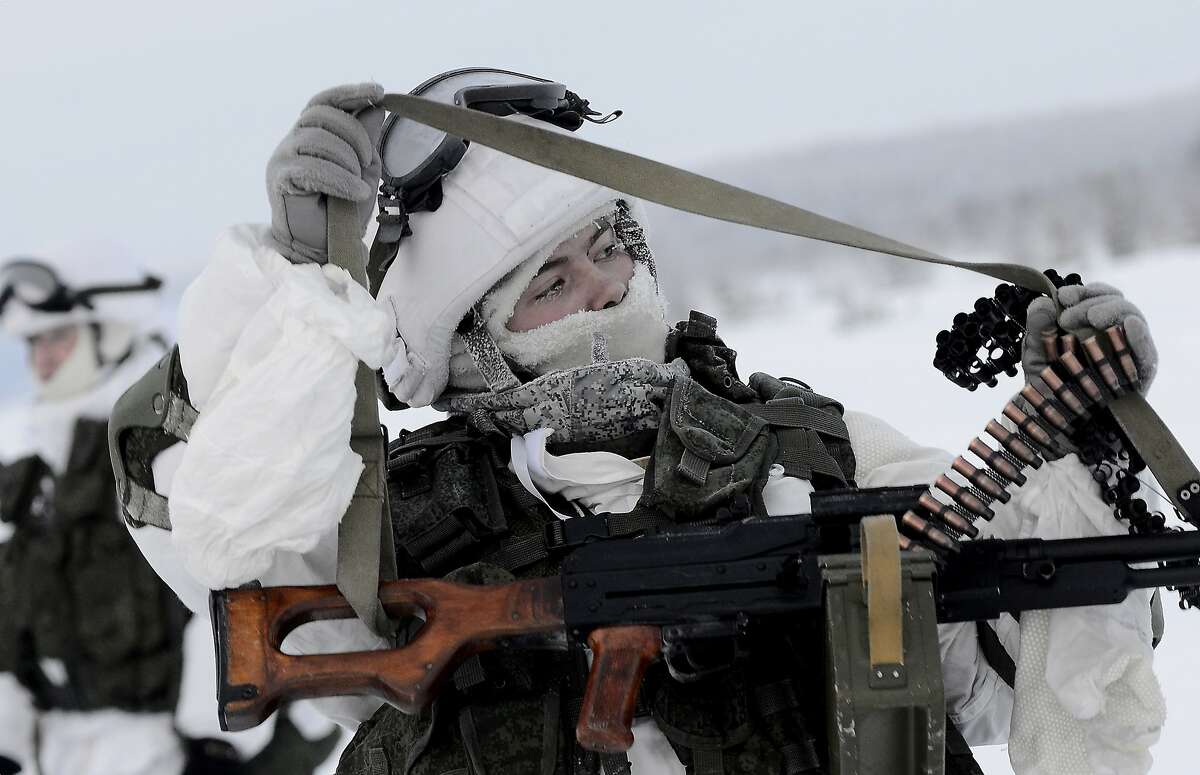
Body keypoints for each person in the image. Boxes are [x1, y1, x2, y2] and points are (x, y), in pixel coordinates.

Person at [127, 77, 1166, 775]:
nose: (607, 298)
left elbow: (1043, 643)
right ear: (470, 346)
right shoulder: (393, 524)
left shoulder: (808, 448)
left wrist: (1085, 446)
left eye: (613, 250)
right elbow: (196, 511)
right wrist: (283, 298)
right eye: (552, 284)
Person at [0, 250, 339, 775]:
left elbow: (227, 589)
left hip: (168, 752)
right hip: (61, 752)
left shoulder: (165, 451)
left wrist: (215, 741)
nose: (41, 360)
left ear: (110, 335)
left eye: (58, 339)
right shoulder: (32, 478)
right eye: (34, 344)